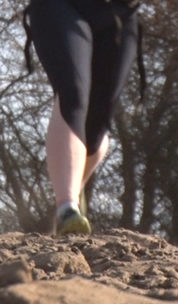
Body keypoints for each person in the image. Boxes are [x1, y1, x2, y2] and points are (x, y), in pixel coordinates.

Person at [23, 0, 142, 235]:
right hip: (59, 7)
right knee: (73, 94)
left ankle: (73, 190)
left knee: (97, 125)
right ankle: (67, 208)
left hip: (120, 11)